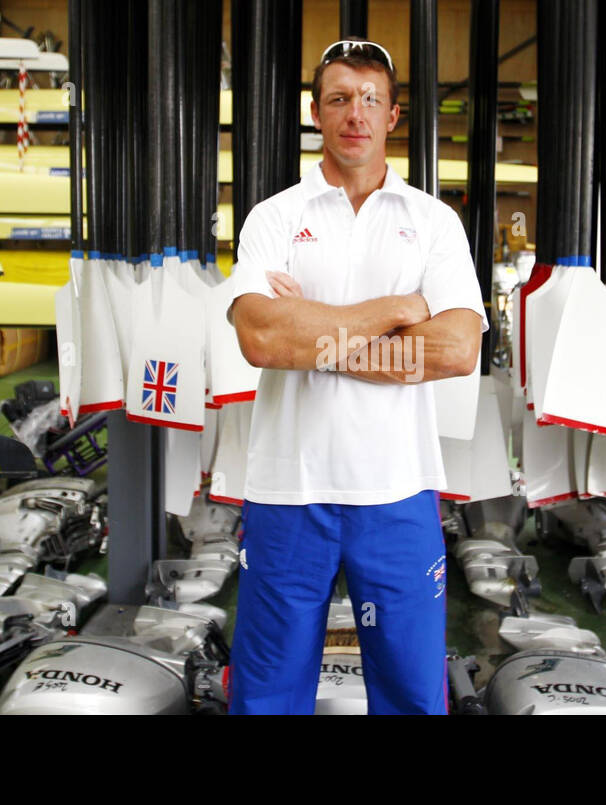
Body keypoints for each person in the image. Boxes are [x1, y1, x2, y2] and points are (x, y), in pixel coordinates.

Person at [225, 38, 488, 714]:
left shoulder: (433, 223)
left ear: (393, 115)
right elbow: (261, 337)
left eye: (371, 100)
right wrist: (398, 311)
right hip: (289, 489)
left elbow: (457, 349)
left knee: (411, 692)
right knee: (266, 695)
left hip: (397, 490)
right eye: (339, 98)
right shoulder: (274, 218)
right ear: (316, 112)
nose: (355, 114)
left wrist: (310, 334)